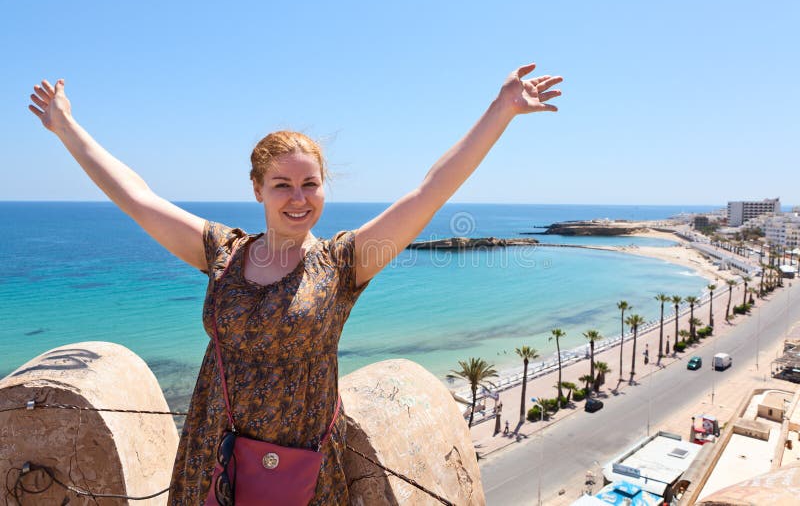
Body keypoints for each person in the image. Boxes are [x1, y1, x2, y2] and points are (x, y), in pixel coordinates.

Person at [28, 63, 563, 504]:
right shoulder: (223, 253)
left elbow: (427, 193)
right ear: (258, 188)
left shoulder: (342, 264)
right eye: (282, 184)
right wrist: (66, 127)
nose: (298, 197)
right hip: (211, 464)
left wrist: (501, 111)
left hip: (299, 476)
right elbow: (138, 198)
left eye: (310, 183)